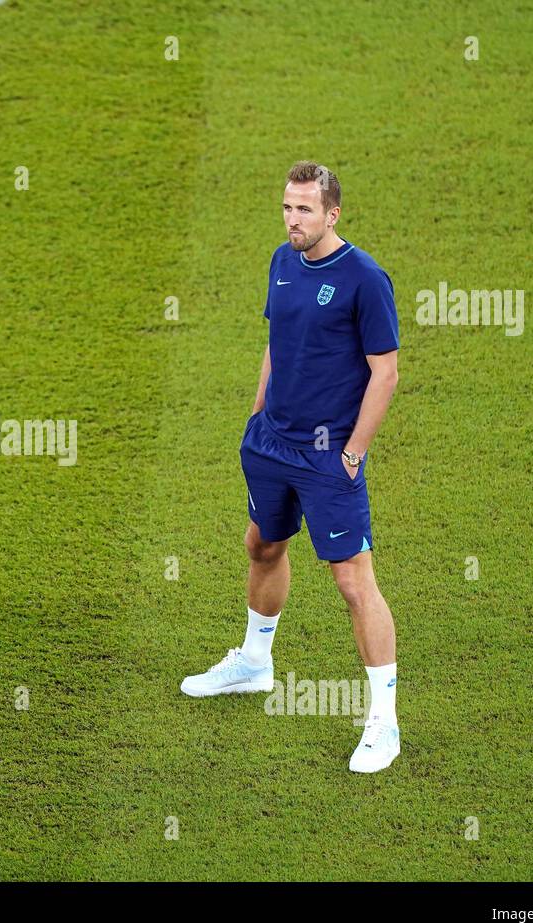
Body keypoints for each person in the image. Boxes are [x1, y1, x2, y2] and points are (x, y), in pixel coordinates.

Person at [181, 162, 402, 773]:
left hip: (329, 456)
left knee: (353, 581)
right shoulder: (283, 261)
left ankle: (383, 722)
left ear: (333, 214)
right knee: (262, 545)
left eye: (305, 210)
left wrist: (353, 451)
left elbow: (385, 371)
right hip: (271, 445)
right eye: (286, 207)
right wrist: (257, 414)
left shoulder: (364, 278)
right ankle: (255, 662)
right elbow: (276, 342)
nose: (293, 220)